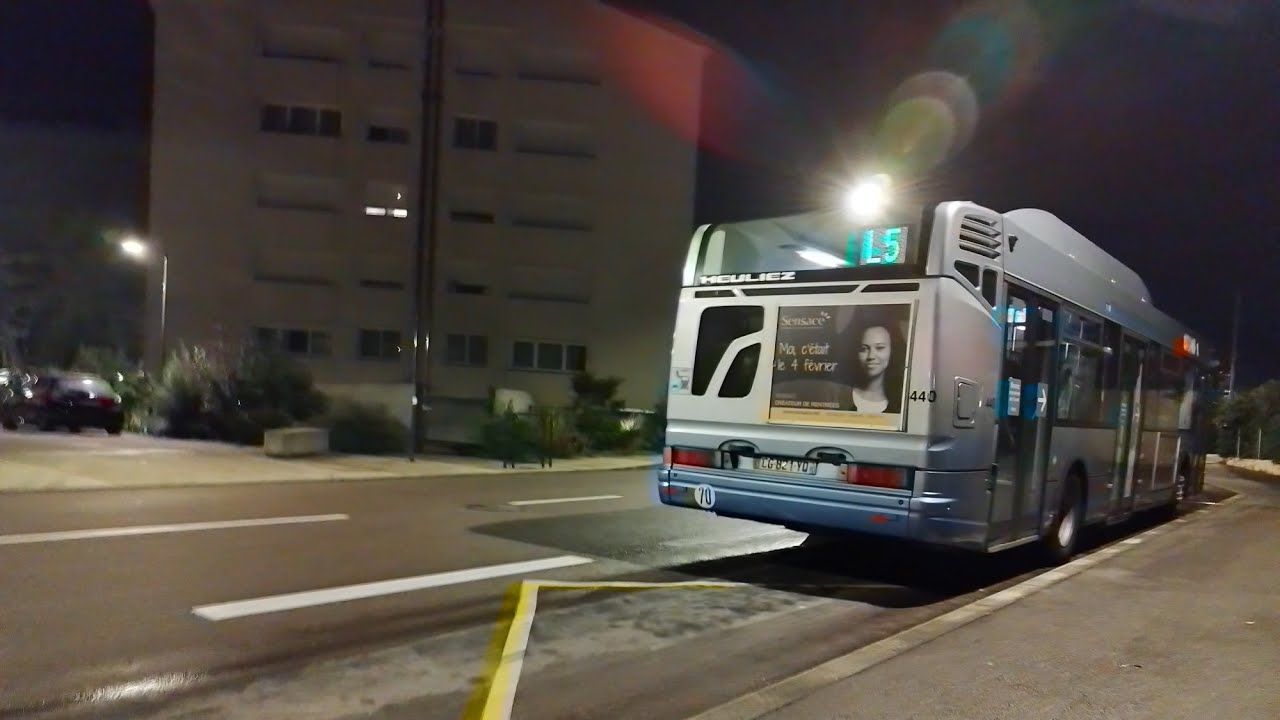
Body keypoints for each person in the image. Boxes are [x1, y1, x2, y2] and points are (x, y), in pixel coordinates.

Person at [846, 314, 906, 414]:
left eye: (880, 348)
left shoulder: (901, 403)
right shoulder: (838, 396)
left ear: (892, 351)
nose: (871, 356)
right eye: (864, 349)